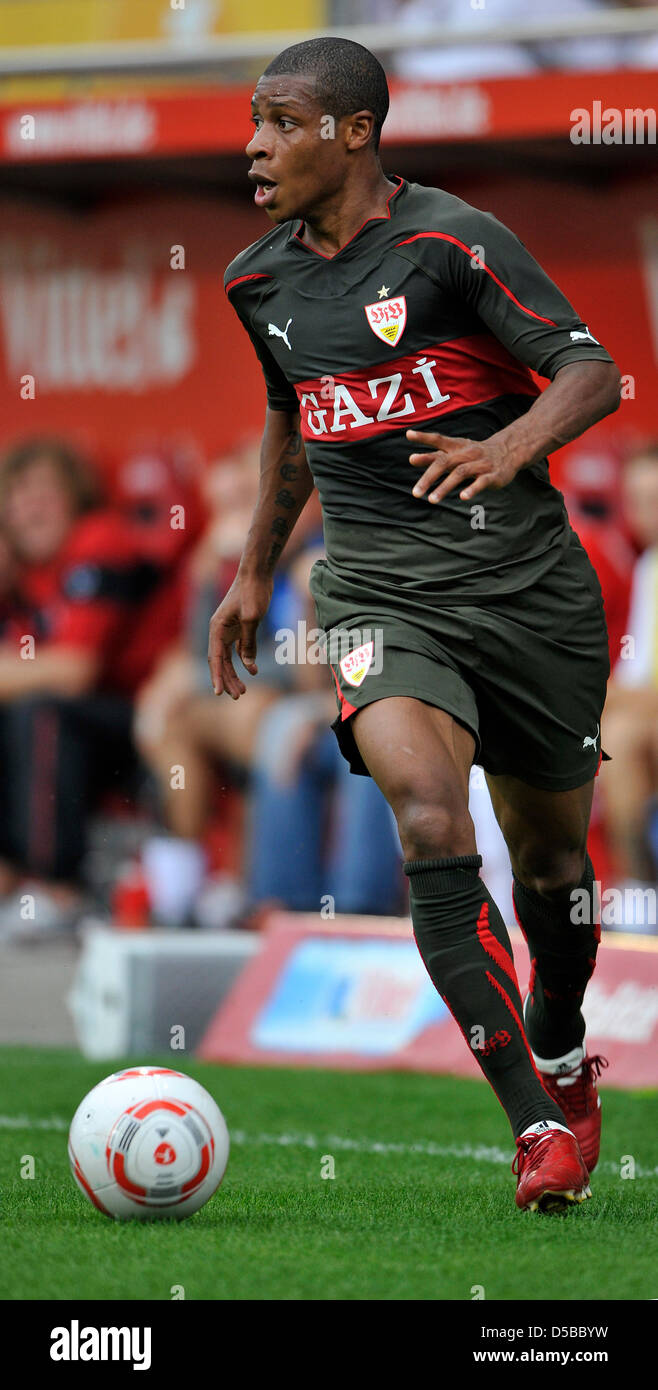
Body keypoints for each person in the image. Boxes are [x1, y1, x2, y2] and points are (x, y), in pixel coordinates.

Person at [209, 37, 622, 1213]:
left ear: (352, 131)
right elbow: (293, 425)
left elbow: (590, 372)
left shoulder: (450, 242)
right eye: (252, 122)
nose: (255, 146)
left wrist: (505, 447)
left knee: (551, 866)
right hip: (379, 595)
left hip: (528, 595)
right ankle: (533, 1124)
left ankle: (559, 1044)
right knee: (429, 815)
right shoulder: (257, 281)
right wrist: (251, 574)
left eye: (281, 122)